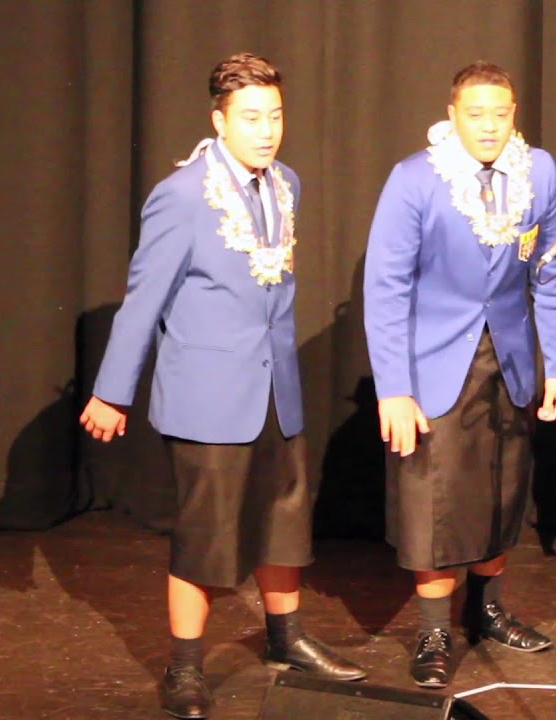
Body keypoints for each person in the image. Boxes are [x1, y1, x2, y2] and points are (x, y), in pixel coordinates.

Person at [79, 52, 365, 720]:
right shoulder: (183, 195)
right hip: (208, 395)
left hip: (275, 389)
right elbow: (144, 300)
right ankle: (185, 667)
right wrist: (112, 390)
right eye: (252, 118)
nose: (267, 131)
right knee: (206, 536)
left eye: (275, 116)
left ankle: (285, 638)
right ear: (220, 119)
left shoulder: (285, 181)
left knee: (284, 521)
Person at [363, 61, 556, 689]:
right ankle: (433, 627)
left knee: (502, 488)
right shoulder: (414, 180)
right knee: (436, 499)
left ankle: (485, 610)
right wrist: (394, 388)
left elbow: (553, 273)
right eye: (476, 114)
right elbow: (386, 289)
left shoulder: (539, 172)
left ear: (515, 116)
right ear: (452, 115)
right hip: (435, 362)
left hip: (507, 357)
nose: (489, 126)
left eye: (500, 114)